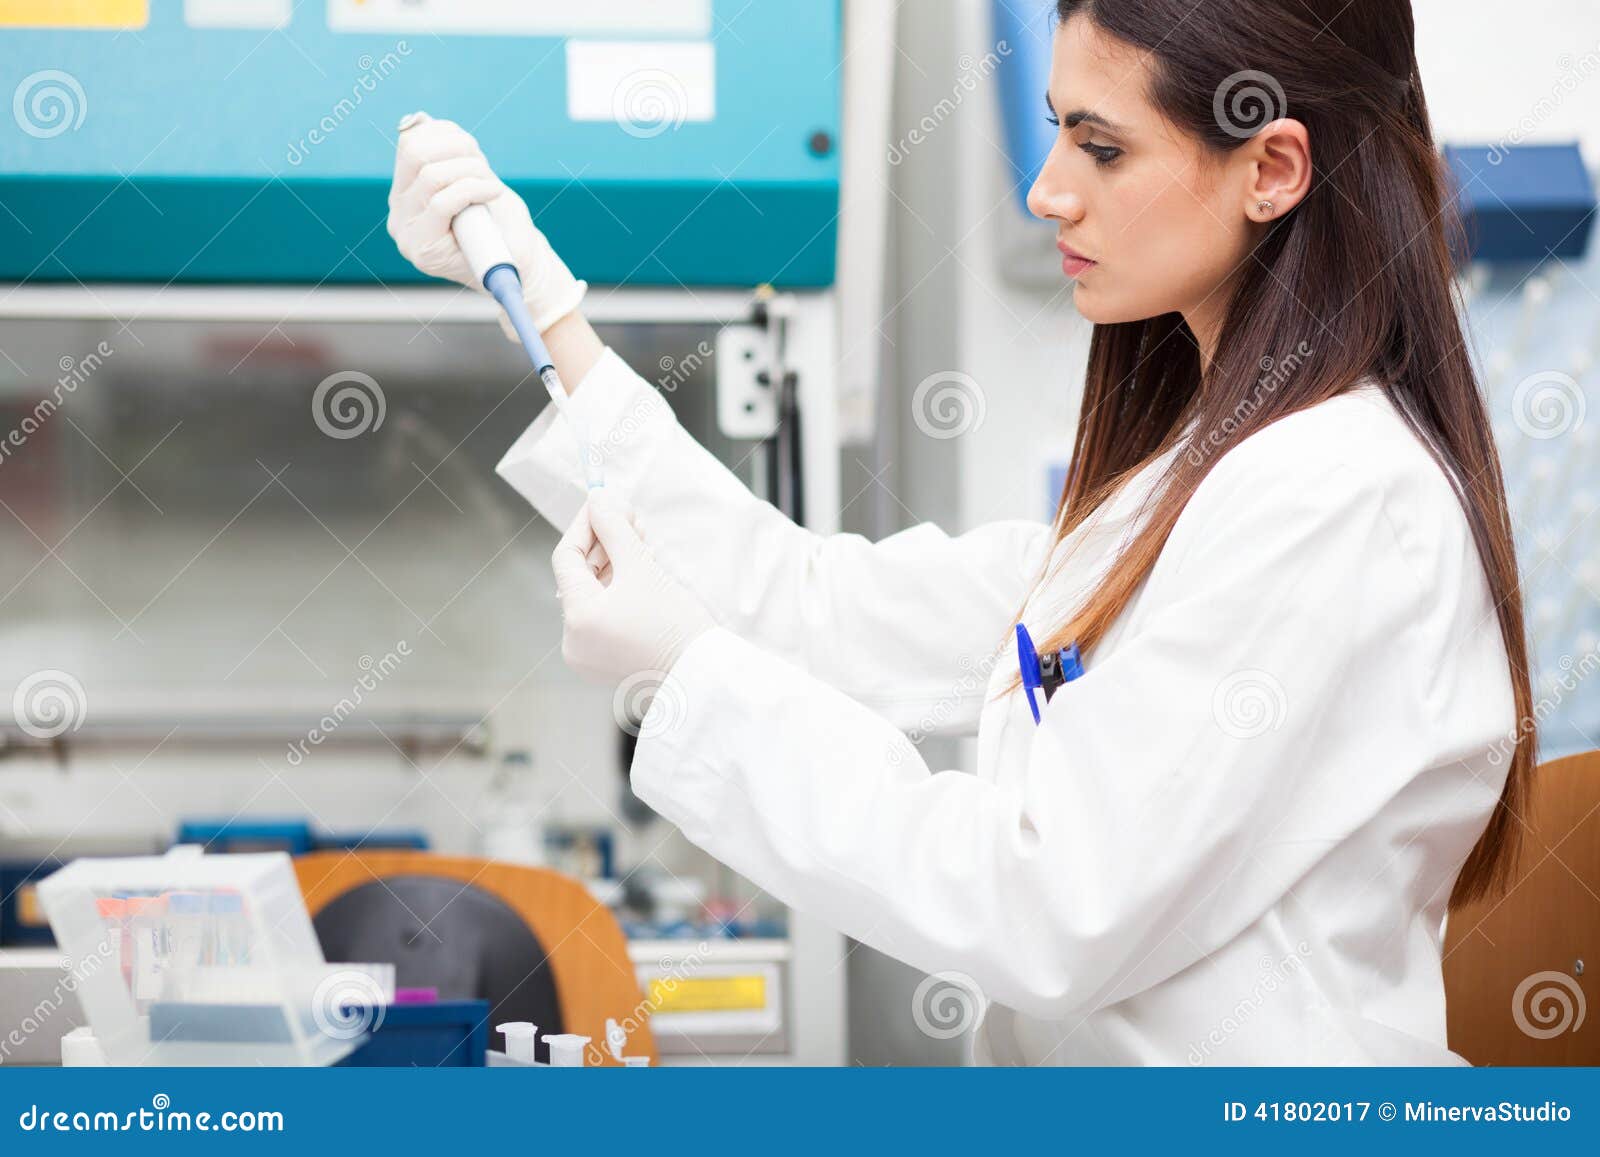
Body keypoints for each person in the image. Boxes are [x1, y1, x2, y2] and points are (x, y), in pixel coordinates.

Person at [386, 0, 1533, 1065]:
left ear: (1271, 167)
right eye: (1055, 136)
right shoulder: (1184, 486)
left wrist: (685, 673)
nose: (1047, 192)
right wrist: (544, 309)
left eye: (1101, 146)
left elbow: (1050, 905)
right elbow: (815, 607)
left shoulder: (1331, 499)